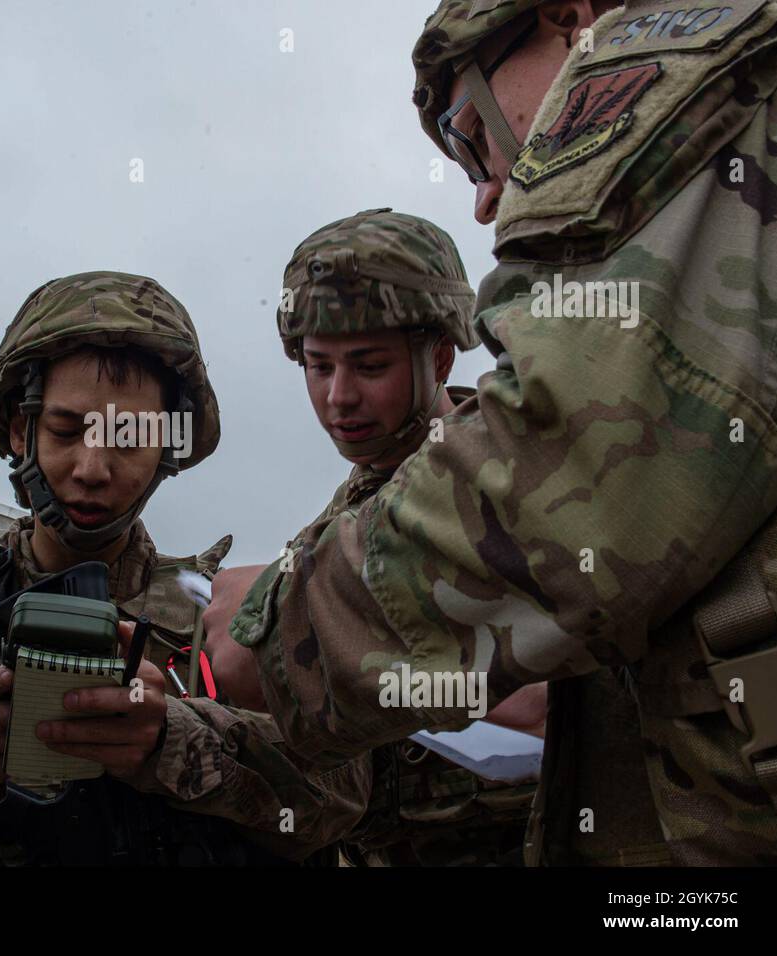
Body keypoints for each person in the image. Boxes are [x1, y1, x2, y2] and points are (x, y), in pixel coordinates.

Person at [222, 0, 777, 865]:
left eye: (468, 133)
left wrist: (276, 636)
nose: (487, 195)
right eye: (316, 364)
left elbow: (583, 489)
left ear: (573, 19)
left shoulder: (708, 76)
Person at [0, 271, 370, 865]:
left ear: (166, 449)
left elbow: (342, 797)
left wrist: (174, 738)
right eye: (66, 430)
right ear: (19, 429)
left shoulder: (225, 620)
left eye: (128, 439)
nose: (92, 467)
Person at [206, 209, 541, 865]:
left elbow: (550, 703)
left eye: (367, 365)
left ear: (440, 356)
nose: (339, 398)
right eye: (318, 366)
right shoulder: (344, 518)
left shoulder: (515, 477)